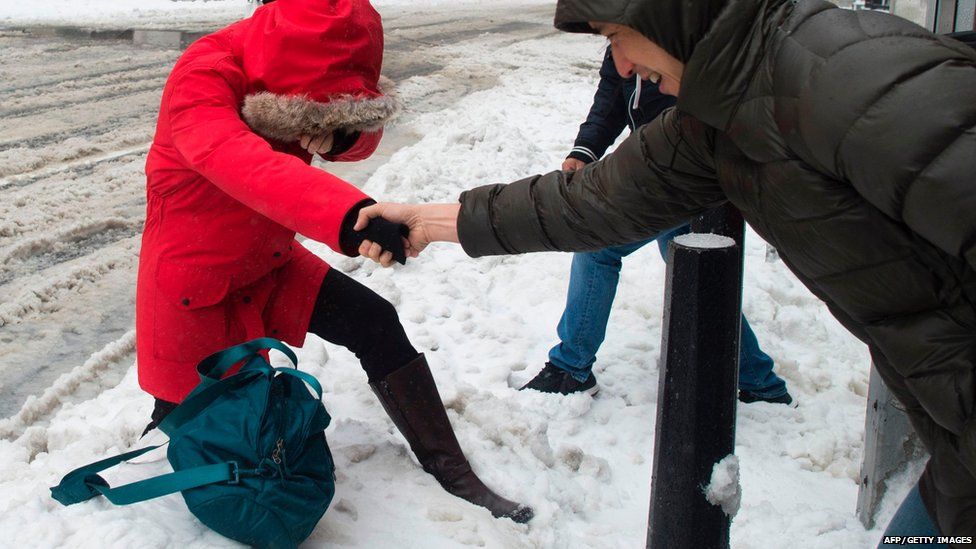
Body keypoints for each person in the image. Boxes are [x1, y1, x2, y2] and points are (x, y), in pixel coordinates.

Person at [354, 0, 976, 543]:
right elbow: (589, 203)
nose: (620, 65)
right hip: (954, 465)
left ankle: (742, 375)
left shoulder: (849, 80)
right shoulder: (715, 120)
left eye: (614, 35)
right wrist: (433, 222)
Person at [135, 0, 531, 523]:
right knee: (212, 417)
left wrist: (342, 133)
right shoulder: (204, 73)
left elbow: (354, 117)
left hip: (267, 257)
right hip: (196, 278)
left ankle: (450, 469)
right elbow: (235, 158)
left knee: (374, 321)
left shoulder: (286, 58)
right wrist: (350, 216)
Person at [527, 46, 791, 405]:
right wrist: (585, 150)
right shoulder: (623, 44)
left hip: (689, 178)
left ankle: (571, 367)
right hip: (659, 175)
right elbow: (610, 103)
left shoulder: (680, 40)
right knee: (698, 275)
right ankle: (760, 381)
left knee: (604, 247)